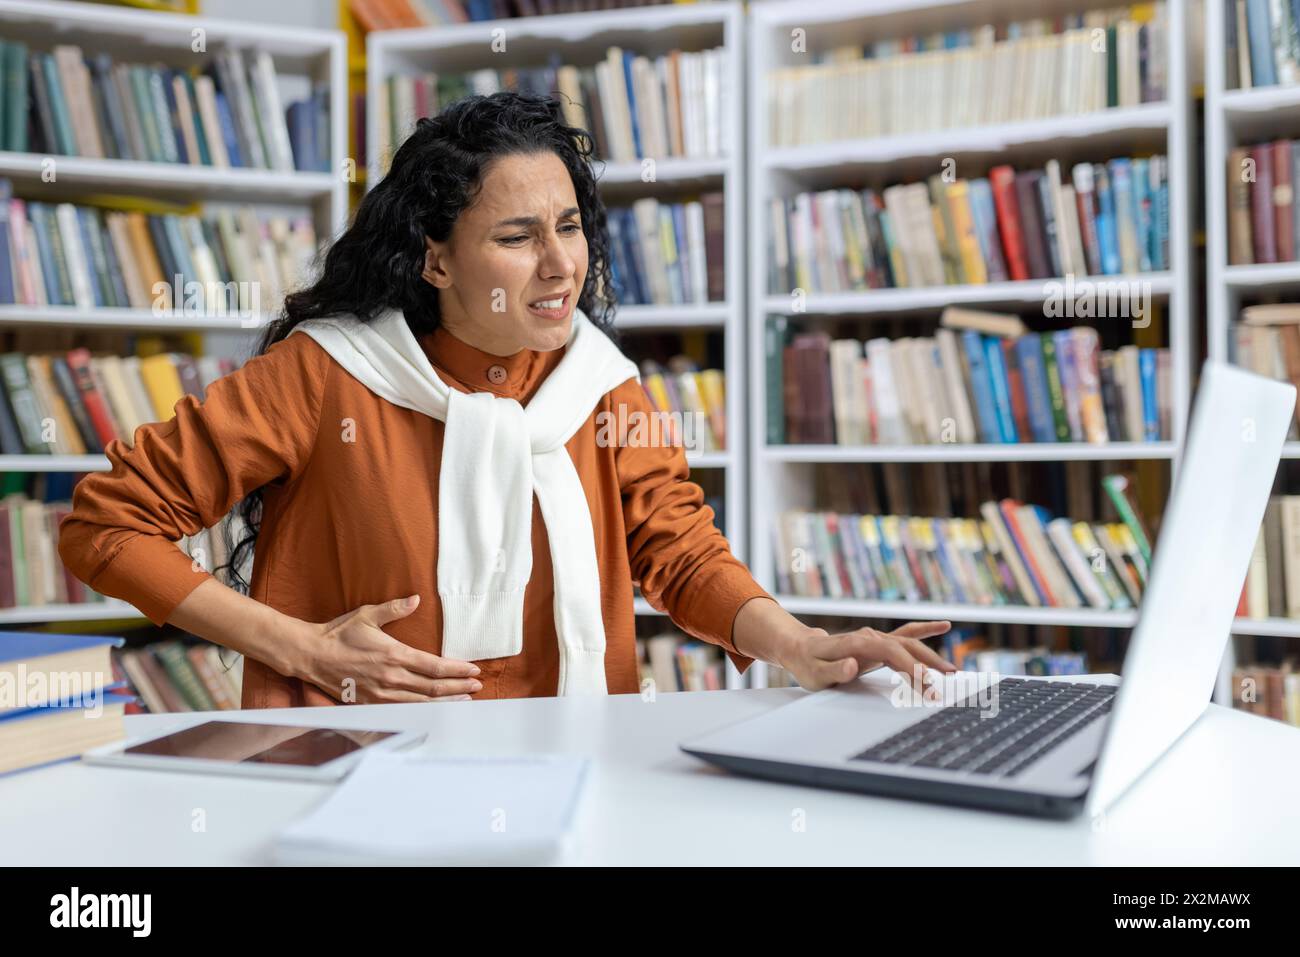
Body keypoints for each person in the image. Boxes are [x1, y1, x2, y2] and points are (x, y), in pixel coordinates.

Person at [58, 91, 954, 708]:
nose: (563, 265)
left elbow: (679, 554)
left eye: (570, 227)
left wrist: (799, 644)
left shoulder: (601, 384)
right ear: (436, 259)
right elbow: (106, 526)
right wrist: (295, 645)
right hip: (349, 767)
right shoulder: (323, 375)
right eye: (519, 237)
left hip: (572, 764)